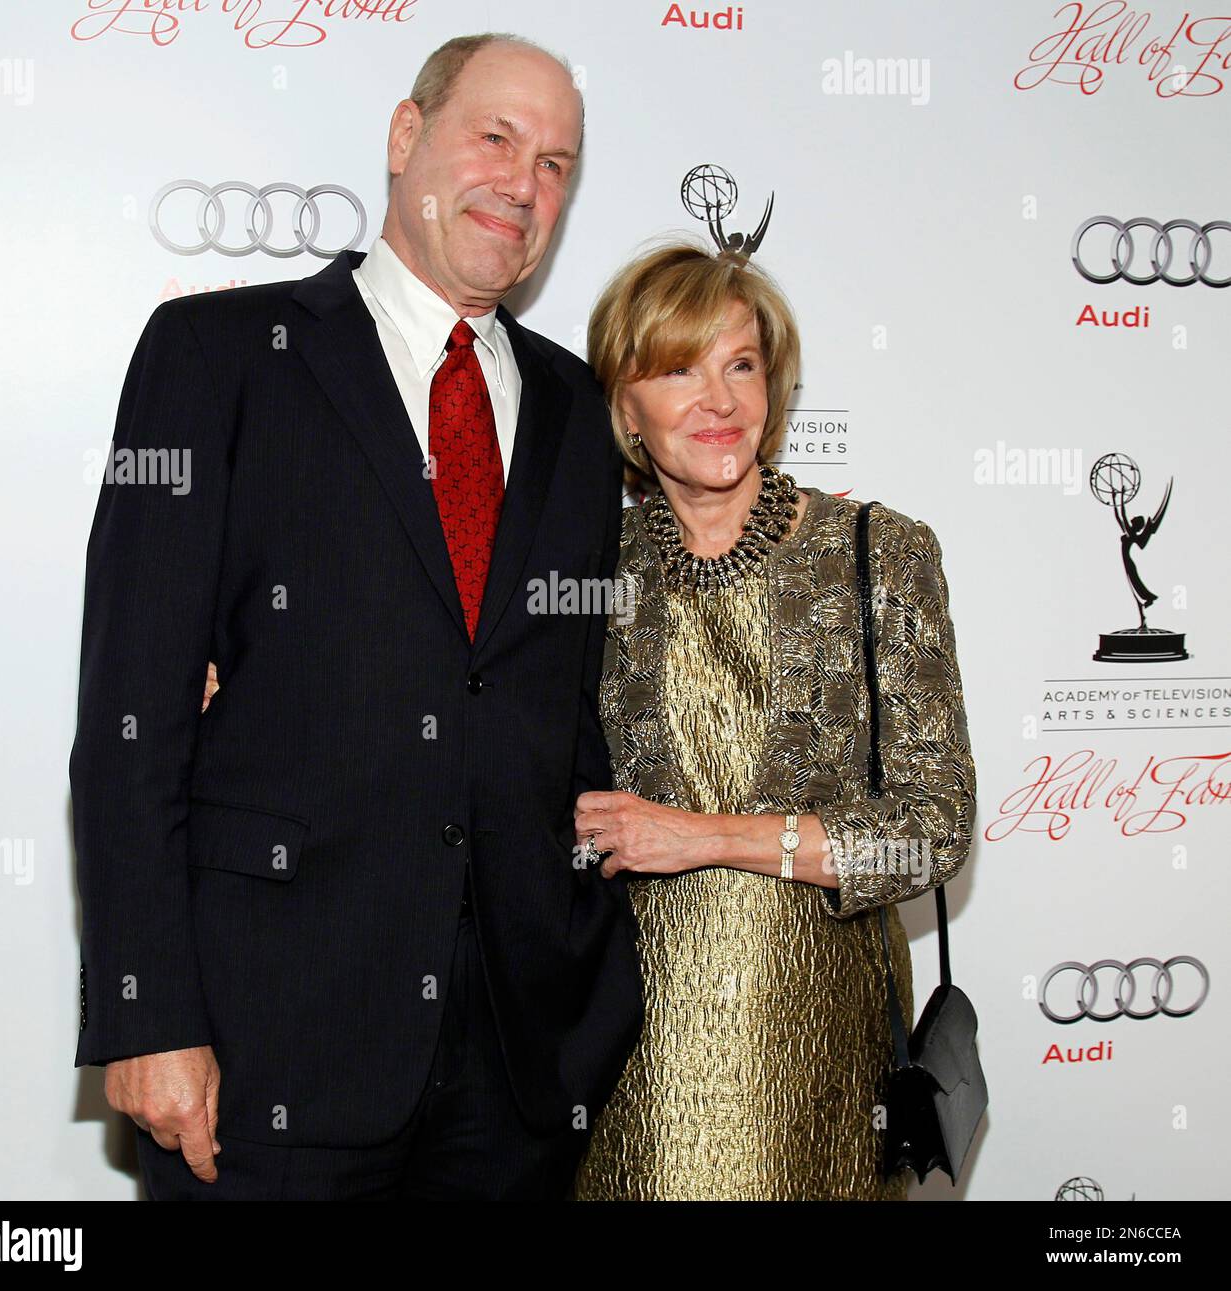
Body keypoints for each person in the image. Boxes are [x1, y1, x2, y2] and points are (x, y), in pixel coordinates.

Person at [69, 33, 643, 1201]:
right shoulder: (217, 355)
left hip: (519, 1066)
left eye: (556, 164)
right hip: (266, 1044)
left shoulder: (579, 408)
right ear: (404, 136)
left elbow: (558, 693)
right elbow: (131, 707)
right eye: (495, 137)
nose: (523, 182)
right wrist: (143, 1011)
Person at [568, 242, 978, 1200]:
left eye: (740, 365)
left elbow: (935, 828)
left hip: (820, 1042)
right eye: (678, 369)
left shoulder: (880, 553)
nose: (720, 400)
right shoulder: (583, 566)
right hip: (630, 1041)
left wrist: (702, 836)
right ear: (625, 406)